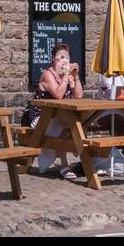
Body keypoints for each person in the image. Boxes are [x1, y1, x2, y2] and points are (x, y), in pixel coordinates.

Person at [33, 44, 85, 178]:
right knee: (63, 126)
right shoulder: (47, 74)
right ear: (53, 59)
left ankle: (90, 161)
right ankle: (64, 165)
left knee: (80, 125)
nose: (64, 61)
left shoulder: (67, 76)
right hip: (41, 117)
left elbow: (78, 96)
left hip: (60, 116)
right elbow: (58, 95)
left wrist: (76, 76)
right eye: (60, 57)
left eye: (66, 58)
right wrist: (67, 76)